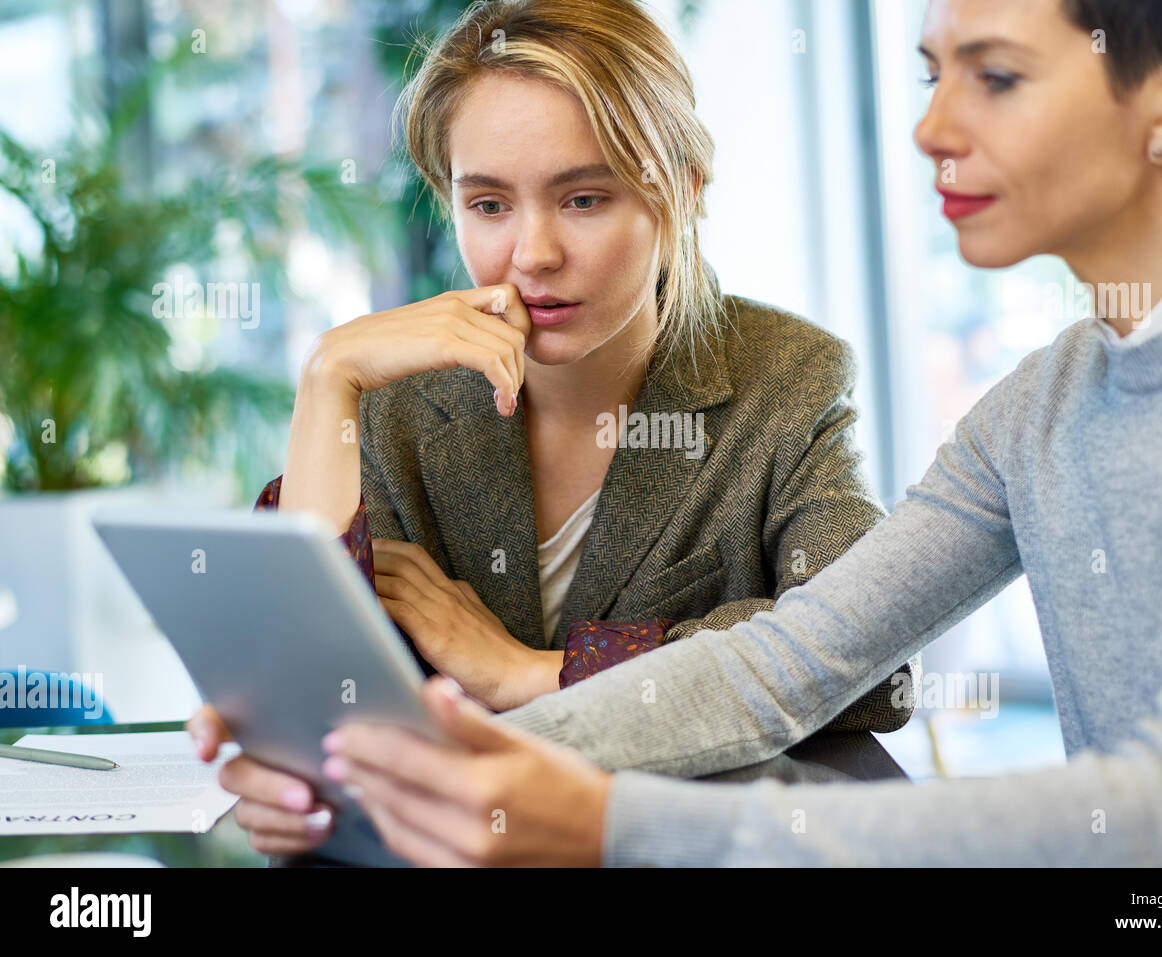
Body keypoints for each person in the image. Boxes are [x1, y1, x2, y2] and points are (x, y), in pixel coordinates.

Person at [313, 0, 1162, 866]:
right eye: (930, 74)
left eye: (994, 78)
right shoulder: (1037, 407)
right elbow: (784, 664)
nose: (927, 128)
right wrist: (429, 770)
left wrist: (610, 822)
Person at [187, 0, 917, 861]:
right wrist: (327, 378)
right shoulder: (399, 403)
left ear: (681, 189)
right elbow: (305, 687)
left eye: (582, 197)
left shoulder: (784, 379)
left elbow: (873, 669)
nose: (532, 253)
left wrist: (532, 672)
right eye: (489, 205)